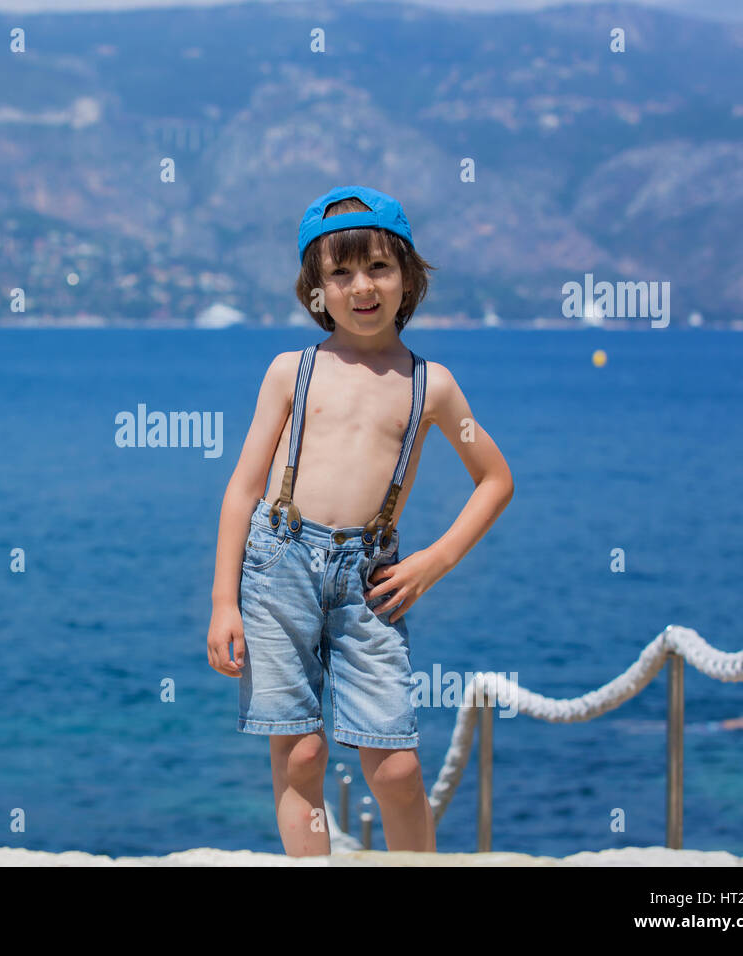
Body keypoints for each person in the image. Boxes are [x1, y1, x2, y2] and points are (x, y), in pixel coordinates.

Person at [206, 186, 514, 856]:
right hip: (277, 566)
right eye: (339, 274)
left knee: (397, 767)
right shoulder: (293, 372)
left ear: (408, 276)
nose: (361, 287)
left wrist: (435, 560)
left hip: (369, 581)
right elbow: (242, 490)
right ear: (315, 289)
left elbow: (495, 479)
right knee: (301, 758)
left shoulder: (432, 386)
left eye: (377, 267)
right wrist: (223, 601)